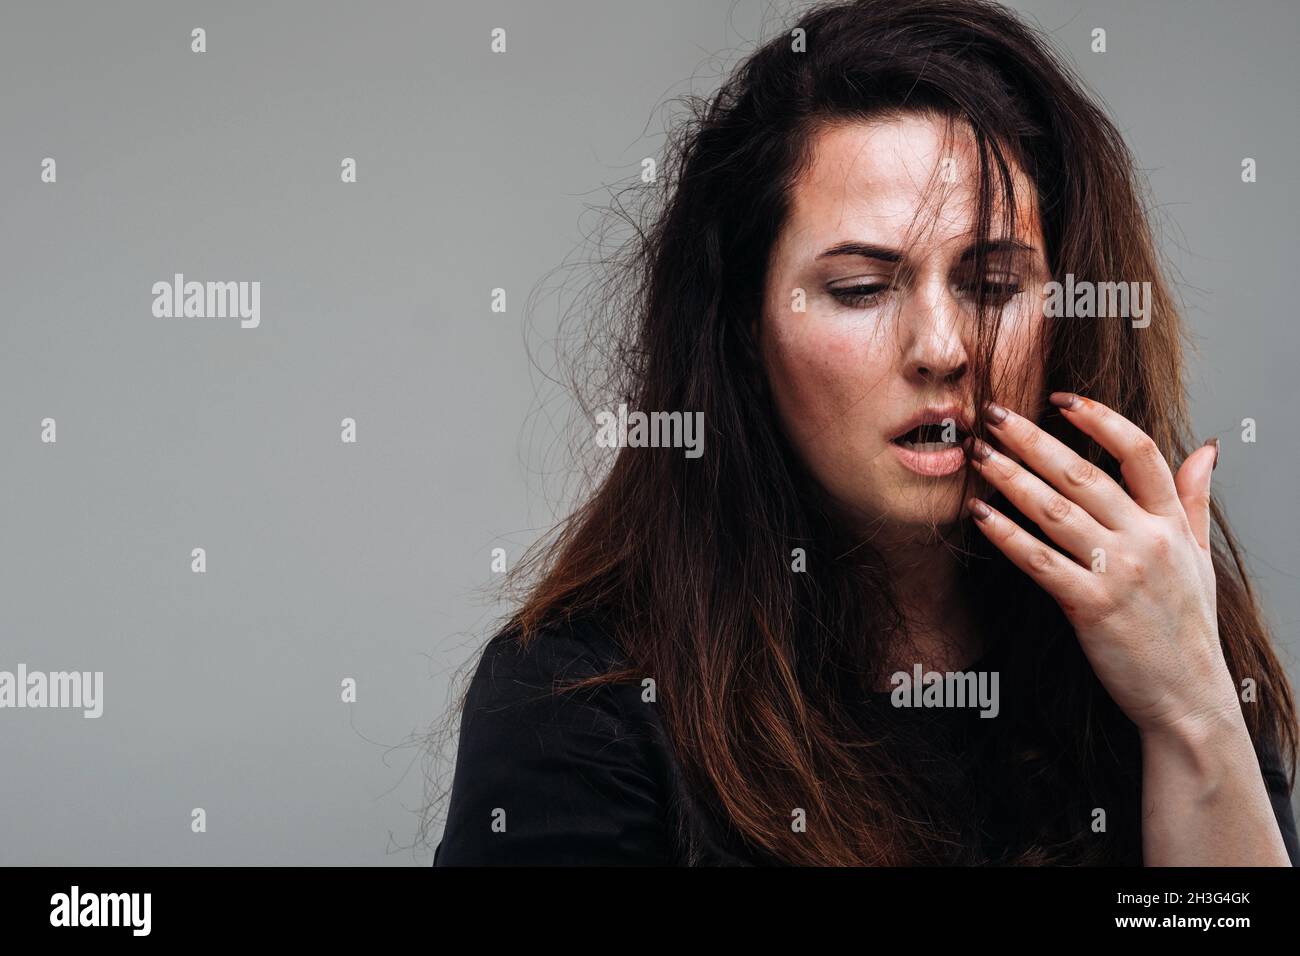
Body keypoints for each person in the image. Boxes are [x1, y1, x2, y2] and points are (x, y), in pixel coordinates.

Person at [431, 0, 1298, 866]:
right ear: (744, 327)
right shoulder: (580, 704)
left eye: (993, 286)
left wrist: (1193, 711)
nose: (941, 349)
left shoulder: (1163, 632)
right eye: (858, 290)